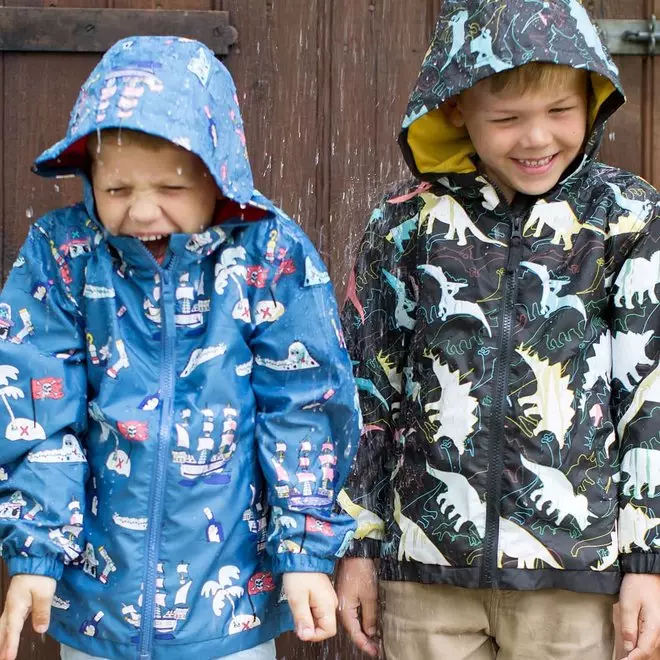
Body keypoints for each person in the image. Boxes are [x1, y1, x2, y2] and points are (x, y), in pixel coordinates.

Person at [0, 35, 360, 660]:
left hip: (230, 607)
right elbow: (35, 405)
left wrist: (304, 550)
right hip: (96, 607)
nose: (142, 211)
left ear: (217, 173)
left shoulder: (268, 254)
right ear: (89, 179)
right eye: (116, 191)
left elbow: (305, 405)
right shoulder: (63, 255)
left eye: (168, 188)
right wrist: (36, 548)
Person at [336, 1, 660, 659]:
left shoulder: (626, 218)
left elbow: (650, 400)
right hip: (426, 572)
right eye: (508, 119)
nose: (537, 139)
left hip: (575, 579)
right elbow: (364, 389)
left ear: (593, 97)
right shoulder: (406, 223)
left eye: (560, 112)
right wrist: (358, 543)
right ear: (456, 108)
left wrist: (649, 561)